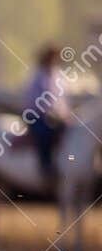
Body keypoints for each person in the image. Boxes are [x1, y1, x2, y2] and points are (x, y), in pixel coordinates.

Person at [23, 43, 72, 187]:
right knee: (43, 133)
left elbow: (62, 99)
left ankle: (67, 167)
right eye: (52, 57)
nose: (54, 60)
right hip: (36, 115)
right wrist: (48, 112)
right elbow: (32, 98)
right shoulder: (37, 75)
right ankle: (46, 166)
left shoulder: (58, 75)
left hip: (56, 117)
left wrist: (66, 114)